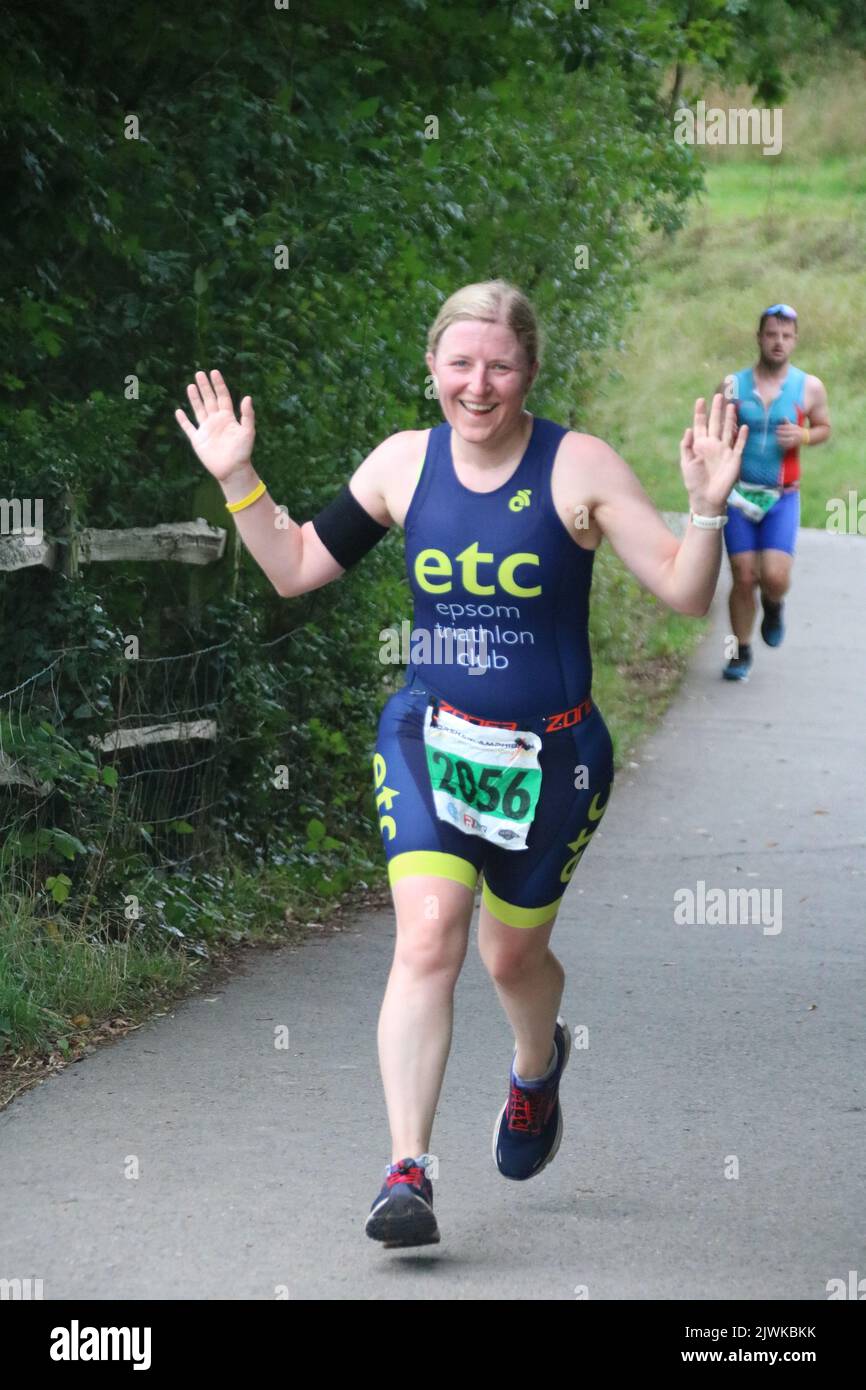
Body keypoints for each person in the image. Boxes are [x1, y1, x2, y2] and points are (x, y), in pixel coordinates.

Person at [176, 279, 747, 1249]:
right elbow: (294, 565)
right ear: (432, 366)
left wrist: (704, 510)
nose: (476, 385)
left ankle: (535, 1069)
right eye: (458, 363)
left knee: (507, 956)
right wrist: (239, 478)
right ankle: (408, 1170)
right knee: (430, 932)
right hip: (428, 739)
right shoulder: (404, 465)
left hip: (553, 759)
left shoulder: (578, 467)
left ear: (527, 372)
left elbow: (686, 597)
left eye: (498, 365)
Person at [716, 304, 831, 681]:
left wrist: (805, 435)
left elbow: (824, 427)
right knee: (743, 575)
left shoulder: (808, 386)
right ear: (759, 337)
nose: (778, 342)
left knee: (774, 576)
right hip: (739, 496)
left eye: (786, 335)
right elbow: (714, 432)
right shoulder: (733, 385)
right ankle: (740, 652)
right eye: (771, 334)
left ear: (795, 340)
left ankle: (774, 603)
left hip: (783, 497)